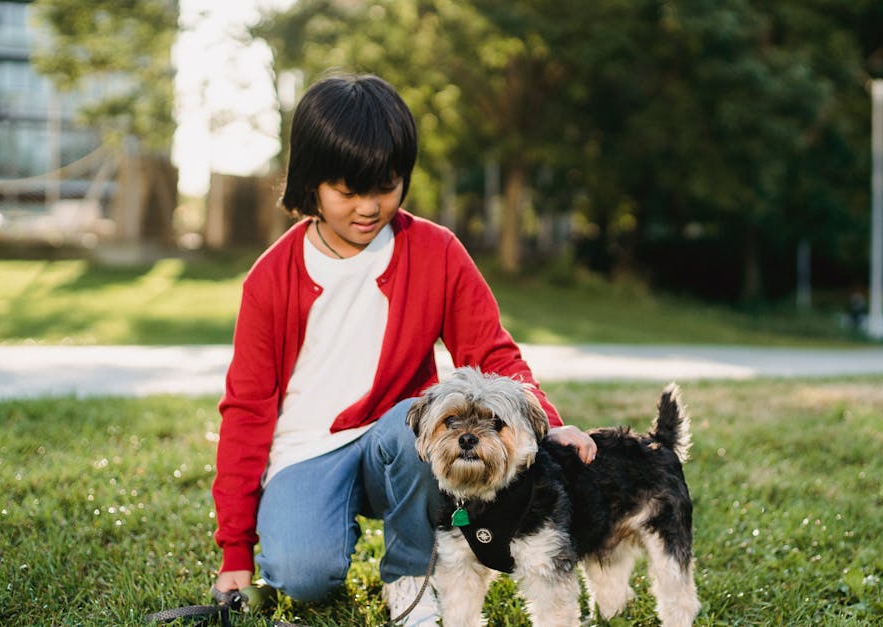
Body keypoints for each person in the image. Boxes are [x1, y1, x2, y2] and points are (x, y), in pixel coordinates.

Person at [210, 73, 596, 625]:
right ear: (310, 183)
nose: (369, 207)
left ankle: (409, 583)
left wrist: (548, 423)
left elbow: (494, 352)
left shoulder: (436, 251)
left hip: (399, 438)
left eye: (386, 186)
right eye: (348, 191)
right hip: (307, 451)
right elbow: (246, 411)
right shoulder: (270, 278)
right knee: (303, 576)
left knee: (414, 426)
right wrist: (234, 552)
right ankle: (312, 528)